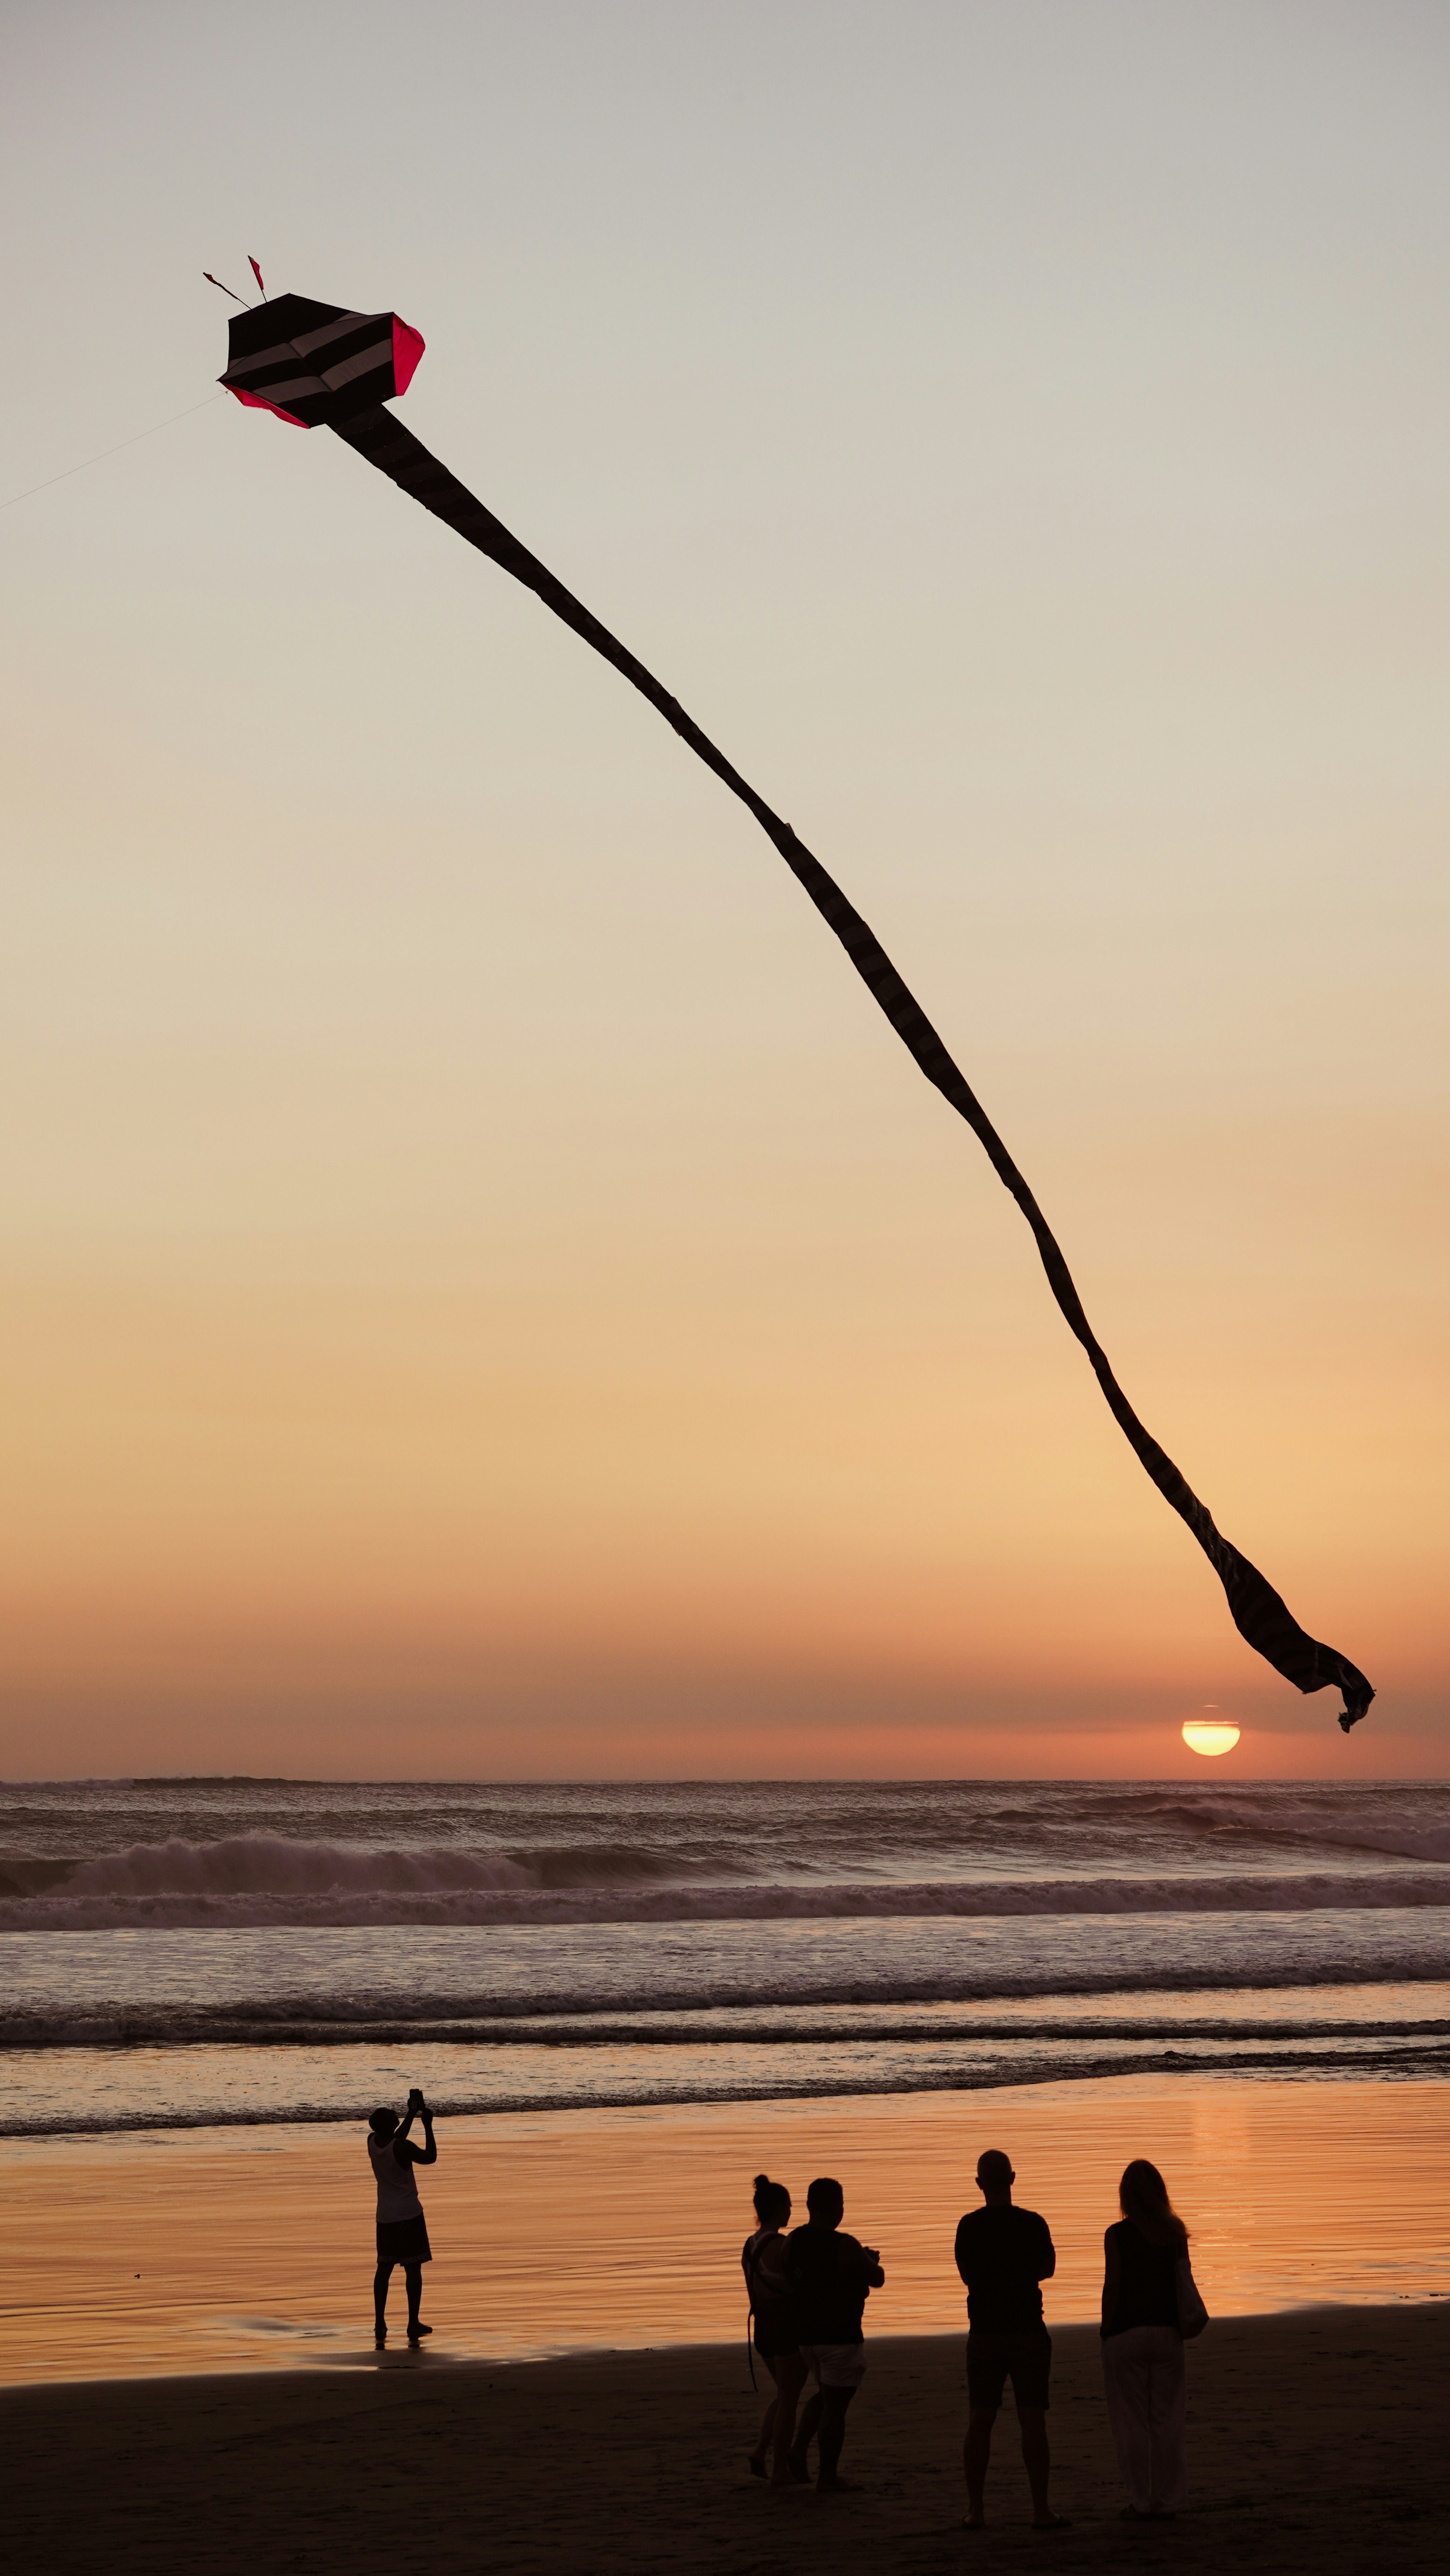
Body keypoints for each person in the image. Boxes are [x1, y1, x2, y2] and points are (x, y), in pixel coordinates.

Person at [954, 2148, 1067, 2531]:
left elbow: (966, 2275)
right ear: (1013, 2178)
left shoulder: (968, 2226)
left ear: (979, 2183)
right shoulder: (1033, 2223)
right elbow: (1048, 2268)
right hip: (1027, 2330)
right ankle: (1040, 2509)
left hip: (985, 2331)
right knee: (1032, 2420)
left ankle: (976, 2509)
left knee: (980, 2418)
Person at [1100, 2158, 1191, 2520]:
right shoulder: (1174, 2233)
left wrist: (1106, 2331)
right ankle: (1169, 2500)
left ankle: (1140, 2501)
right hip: (1168, 2331)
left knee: (1131, 2421)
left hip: (1126, 2332)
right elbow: (1182, 2284)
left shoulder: (1117, 2234)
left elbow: (1114, 2287)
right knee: (1167, 2420)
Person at [784, 2177, 884, 2493]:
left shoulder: (792, 2241)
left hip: (806, 2337)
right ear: (838, 2207)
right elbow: (877, 2277)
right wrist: (869, 2258)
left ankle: (798, 2449)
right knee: (836, 2406)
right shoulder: (844, 2244)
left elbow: (791, 2279)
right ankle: (827, 2474)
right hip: (839, 2336)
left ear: (809, 2206)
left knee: (827, 2394)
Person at [741, 2174, 806, 2483]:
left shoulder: (749, 2245)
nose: (792, 2211)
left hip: (761, 2329)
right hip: (784, 2327)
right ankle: (780, 2467)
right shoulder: (781, 2245)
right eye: (790, 2205)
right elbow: (798, 2286)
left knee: (784, 2393)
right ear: (780, 2208)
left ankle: (760, 2450)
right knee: (790, 2398)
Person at [368, 2086, 437, 2346]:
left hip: (385, 2216)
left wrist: (410, 2114)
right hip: (409, 2215)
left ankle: (380, 2322)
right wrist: (428, 2125)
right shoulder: (403, 2147)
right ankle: (412, 2323)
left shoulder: (372, 2142)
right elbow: (430, 2158)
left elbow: (396, 2140)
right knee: (413, 2270)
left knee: (384, 2270)